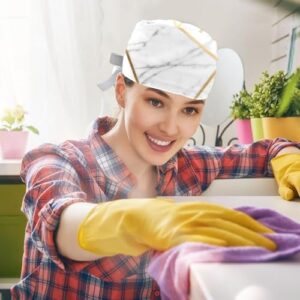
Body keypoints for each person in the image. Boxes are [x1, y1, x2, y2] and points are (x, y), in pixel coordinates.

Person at [12, 19, 300, 299]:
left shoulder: (188, 168)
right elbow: (61, 223)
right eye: (155, 102)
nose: (171, 128)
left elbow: (270, 148)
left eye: (189, 110)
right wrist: (134, 222)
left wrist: (290, 161)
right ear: (122, 92)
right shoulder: (58, 161)